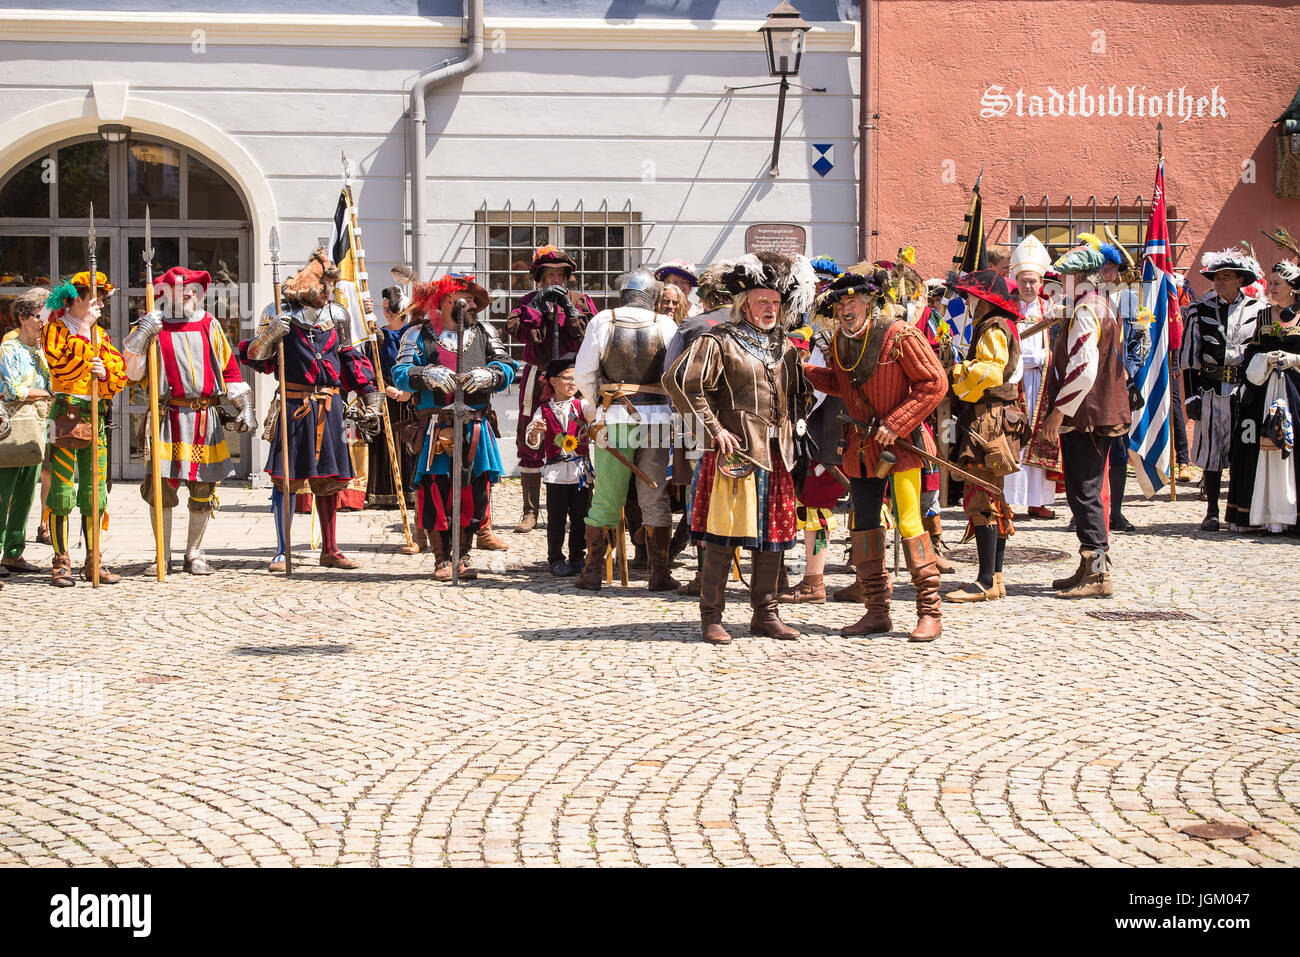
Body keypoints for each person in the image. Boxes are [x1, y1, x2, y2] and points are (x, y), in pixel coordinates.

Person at [664, 252, 815, 644]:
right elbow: (680, 382)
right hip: (735, 455)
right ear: (744, 302)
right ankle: (711, 617)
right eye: (762, 301)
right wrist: (714, 429)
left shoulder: (782, 345)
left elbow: (800, 392)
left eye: (776, 303)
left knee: (773, 536)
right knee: (720, 537)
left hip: (777, 454)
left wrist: (796, 420)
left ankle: (765, 614)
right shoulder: (719, 340)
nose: (770, 308)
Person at [803, 264, 948, 641]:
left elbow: (934, 383)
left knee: (910, 523)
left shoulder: (900, 336)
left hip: (901, 450)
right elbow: (841, 384)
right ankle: (876, 612)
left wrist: (896, 423)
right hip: (861, 450)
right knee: (864, 526)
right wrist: (804, 371)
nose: (846, 310)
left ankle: (929, 613)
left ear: (870, 302)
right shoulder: (839, 342)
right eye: (840, 305)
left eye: (853, 302)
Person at [239, 248, 382, 571]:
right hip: (293, 405)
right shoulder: (279, 312)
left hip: (329, 406)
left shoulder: (338, 314)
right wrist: (271, 335)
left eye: (331, 288)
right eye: (324, 288)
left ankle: (330, 549)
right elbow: (254, 356)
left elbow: (351, 359)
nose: (328, 294)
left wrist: (371, 396)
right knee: (284, 480)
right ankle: (282, 550)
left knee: (329, 481)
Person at [121, 267, 256, 575]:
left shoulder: (209, 324)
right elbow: (131, 374)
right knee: (162, 489)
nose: (189, 295)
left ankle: (194, 552)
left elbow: (229, 369)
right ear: (166, 294)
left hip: (203, 419)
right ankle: (162, 556)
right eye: (182, 290)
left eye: (193, 290)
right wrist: (142, 335)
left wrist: (244, 406)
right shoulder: (152, 328)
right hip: (166, 418)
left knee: (203, 488)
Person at [392, 273, 517, 581]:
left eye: (473, 299)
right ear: (444, 300)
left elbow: (507, 366)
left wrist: (491, 375)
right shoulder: (418, 334)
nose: (471, 303)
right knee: (436, 490)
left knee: (473, 491)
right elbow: (399, 372)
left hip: (474, 424)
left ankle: (463, 556)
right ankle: (441, 559)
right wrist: (425, 374)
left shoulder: (485, 331)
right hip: (435, 425)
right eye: (464, 297)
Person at [1035, 237, 1134, 598]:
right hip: (1099, 412)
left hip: (1088, 416)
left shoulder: (1086, 310)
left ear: (1083, 277)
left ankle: (1097, 575)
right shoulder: (1100, 305)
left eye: (1067, 277)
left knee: (1085, 492)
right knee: (1083, 491)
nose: (1062, 283)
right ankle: (1088, 567)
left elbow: (1084, 368)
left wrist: (1059, 412)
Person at [574, 269, 679, 593]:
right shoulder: (665, 324)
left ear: (624, 293)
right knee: (655, 494)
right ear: (653, 295)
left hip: (617, 419)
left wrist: (600, 403)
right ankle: (658, 572)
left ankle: (592, 573)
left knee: (607, 494)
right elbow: (675, 374)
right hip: (659, 420)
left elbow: (583, 374)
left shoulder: (603, 320)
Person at [944, 270, 1026, 603]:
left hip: (988, 420)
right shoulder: (999, 325)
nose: (968, 303)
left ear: (984, 299)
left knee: (983, 496)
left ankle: (985, 580)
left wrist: (955, 374)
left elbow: (989, 371)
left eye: (971, 297)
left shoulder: (993, 327)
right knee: (992, 495)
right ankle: (996, 576)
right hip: (996, 417)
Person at [41, 273, 127, 586]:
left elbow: (118, 372)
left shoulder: (101, 335)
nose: (101, 303)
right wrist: (85, 330)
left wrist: (105, 372)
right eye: (95, 297)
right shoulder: (55, 329)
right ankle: (61, 560)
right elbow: (60, 365)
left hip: (96, 417)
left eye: (103, 297)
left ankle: (94, 559)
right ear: (77, 298)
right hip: (65, 414)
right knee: (62, 491)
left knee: (95, 491)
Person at [506, 246, 596, 534]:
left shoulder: (581, 300)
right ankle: (530, 511)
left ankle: (582, 504)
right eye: (549, 275)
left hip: (572, 377)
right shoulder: (528, 300)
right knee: (530, 434)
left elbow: (589, 335)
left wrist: (570, 313)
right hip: (539, 374)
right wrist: (538, 308)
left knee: (578, 435)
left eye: (560, 274)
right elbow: (518, 330)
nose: (555, 279)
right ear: (540, 278)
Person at [1180, 248, 1268, 531]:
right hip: (1210, 389)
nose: (1219, 282)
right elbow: (1190, 358)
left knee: (1245, 448)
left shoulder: (1259, 310)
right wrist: (1192, 395)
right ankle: (1212, 511)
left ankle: (1241, 509)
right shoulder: (1199, 309)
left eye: (1226, 278)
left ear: (1240, 280)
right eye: (1216, 278)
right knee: (1212, 450)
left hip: (1246, 391)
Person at [663, 260, 736, 596]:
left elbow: (671, 378)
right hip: (743, 423)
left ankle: (706, 575)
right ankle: (764, 574)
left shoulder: (691, 325)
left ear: (706, 297)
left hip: (697, 422)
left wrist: (678, 419)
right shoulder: (749, 323)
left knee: (701, 498)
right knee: (740, 494)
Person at [1227, 260, 1300, 532]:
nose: (1272, 288)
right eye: (1270, 283)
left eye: (1278, 283)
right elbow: (1249, 356)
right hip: (1266, 391)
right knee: (1261, 447)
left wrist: (1295, 360)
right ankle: (1262, 513)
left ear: (1293, 288)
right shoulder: (1265, 316)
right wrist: (1265, 359)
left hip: (1296, 392)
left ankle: (1291, 516)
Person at [1005, 236, 1058, 519]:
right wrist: (1027, 361)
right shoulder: (1007, 310)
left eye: (1033, 281)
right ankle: (1009, 500)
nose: (1028, 286)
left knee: (1040, 439)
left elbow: (1056, 349)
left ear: (1041, 282)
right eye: (1024, 281)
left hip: (1041, 385)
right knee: (1014, 440)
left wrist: (1043, 360)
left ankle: (1037, 501)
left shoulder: (1050, 311)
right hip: (1014, 385)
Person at [525, 357, 594, 575]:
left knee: (580, 517)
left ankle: (577, 556)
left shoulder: (583, 405)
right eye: (567, 378)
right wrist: (536, 432)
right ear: (553, 381)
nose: (572, 383)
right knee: (556, 519)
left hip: (581, 472)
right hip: (555, 473)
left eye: (575, 379)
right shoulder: (543, 411)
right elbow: (531, 440)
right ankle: (555, 558)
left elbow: (599, 421)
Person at [0, 288, 51, 576]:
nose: (43, 321)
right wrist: (43, 392)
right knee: (2, 493)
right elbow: (13, 390)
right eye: (37, 316)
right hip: (12, 429)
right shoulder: (9, 349)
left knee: (25, 494)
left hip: (35, 428)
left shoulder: (43, 351)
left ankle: (14, 553)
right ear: (22, 318)